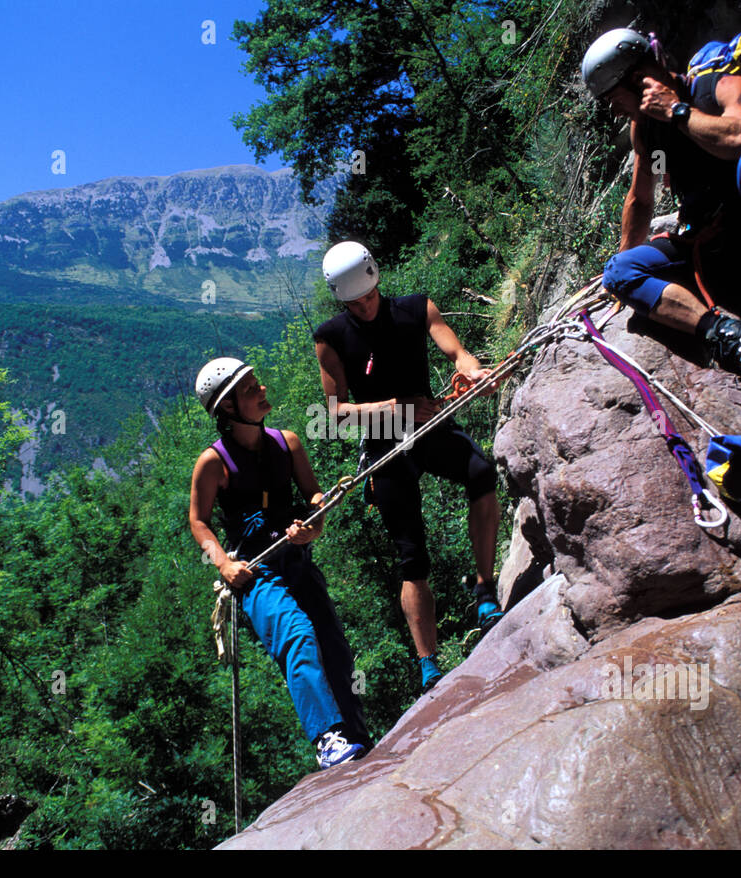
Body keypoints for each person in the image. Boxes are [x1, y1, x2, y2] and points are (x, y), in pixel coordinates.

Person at [313, 241, 504, 694]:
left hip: (430, 425)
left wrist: (474, 371)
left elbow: (456, 354)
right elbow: (336, 413)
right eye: (353, 303)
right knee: (411, 555)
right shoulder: (331, 336)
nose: (363, 306)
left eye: (369, 297)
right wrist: (399, 409)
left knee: (480, 471)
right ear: (340, 299)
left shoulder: (417, 309)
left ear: (377, 279)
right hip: (385, 443)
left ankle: (484, 590)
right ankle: (428, 664)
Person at [584, 28, 741, 393]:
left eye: (613, 99)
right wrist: (621, 283)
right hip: (710, 242)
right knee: (619, 271)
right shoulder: (645, 131)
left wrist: (677, 112)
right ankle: (726, 334)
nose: (613, 110)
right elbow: (641, 200)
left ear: (638, 80)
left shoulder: (717, 85)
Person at [188, 356, 370, 768]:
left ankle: (355, 735)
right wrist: (222, 564)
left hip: (298, 561)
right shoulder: (214, 463)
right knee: (298, 636)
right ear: (229, 408)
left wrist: (313, 525)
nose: (263, 389)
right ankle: (327, 738)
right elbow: (198, 521)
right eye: (251, 388)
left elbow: (314, 496)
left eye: (257, 383)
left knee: (334, 646)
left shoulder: (286, 442)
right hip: (256, 574)